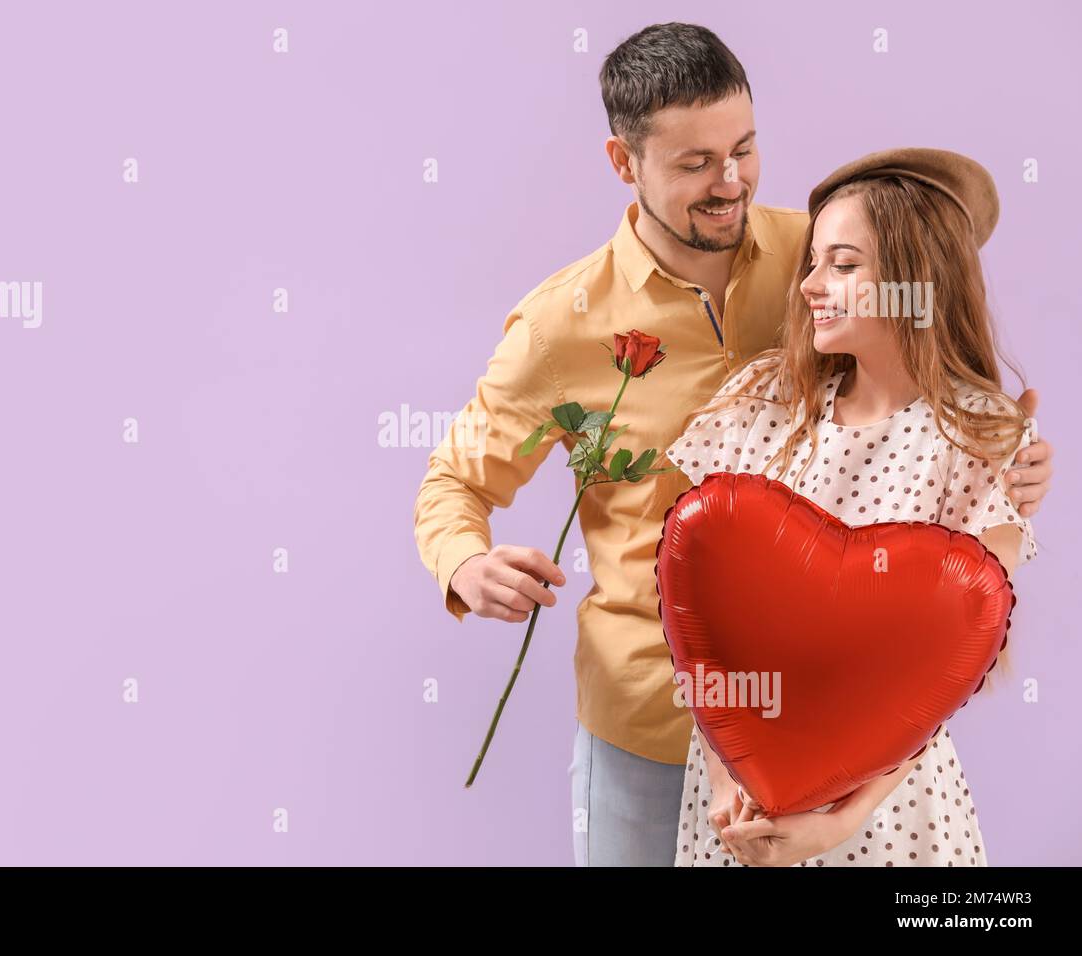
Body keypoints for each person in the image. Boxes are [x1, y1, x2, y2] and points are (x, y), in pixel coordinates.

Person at [411, 23, 1054, 867]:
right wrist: (466, 563)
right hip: (648, 723)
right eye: (693, 165)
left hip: (841, 730)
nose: (731, 183)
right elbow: (454, 481)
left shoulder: (815, 251)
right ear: (623, 162)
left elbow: (926, 340)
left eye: (744, 150)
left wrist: (1003, 460)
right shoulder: (556, 329)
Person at [665, 147, 1034, 867]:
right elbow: (694, 614)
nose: (809, 286)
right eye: (813, 263)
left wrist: (837, 822)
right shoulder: (761, 402)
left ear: (913, 279)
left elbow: (944, 672)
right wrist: (724, 777)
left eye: (843, 264)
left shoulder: (982, 437)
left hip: (894, 817)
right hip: (734, 796)